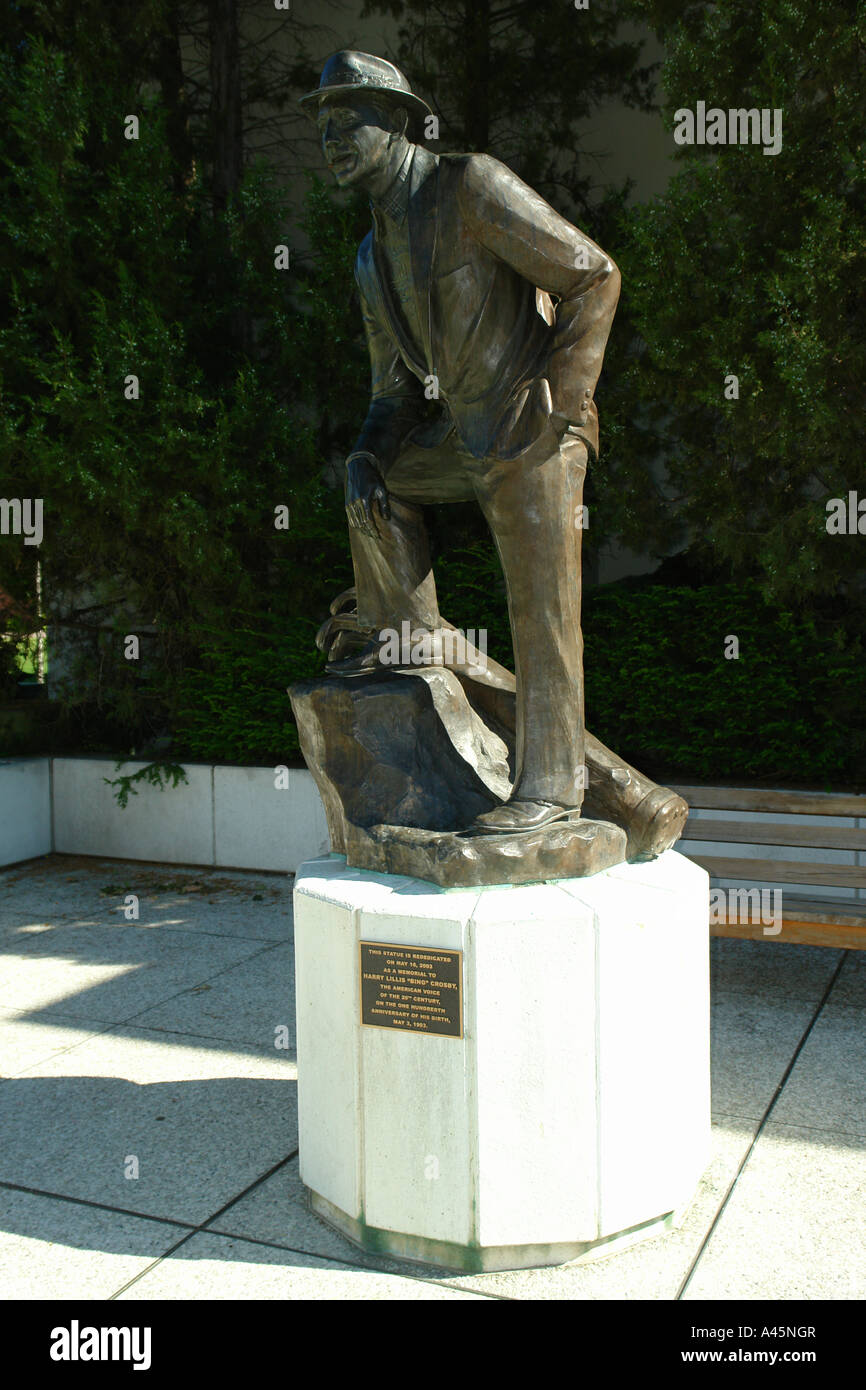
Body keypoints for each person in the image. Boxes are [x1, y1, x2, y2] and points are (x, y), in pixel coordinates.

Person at [300, 51, 687, 852]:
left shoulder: (468, 184)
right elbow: (392, 397)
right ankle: (402, 637)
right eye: (323, 125)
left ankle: (550, 792)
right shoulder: (372, 256)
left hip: (530, 426)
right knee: (372, 486)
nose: (332, 136)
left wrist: (569, 405)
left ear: (397, 120)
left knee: (541, 619)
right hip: (457, 438)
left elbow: (592, 274)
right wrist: (368, 457)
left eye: (349, 119)